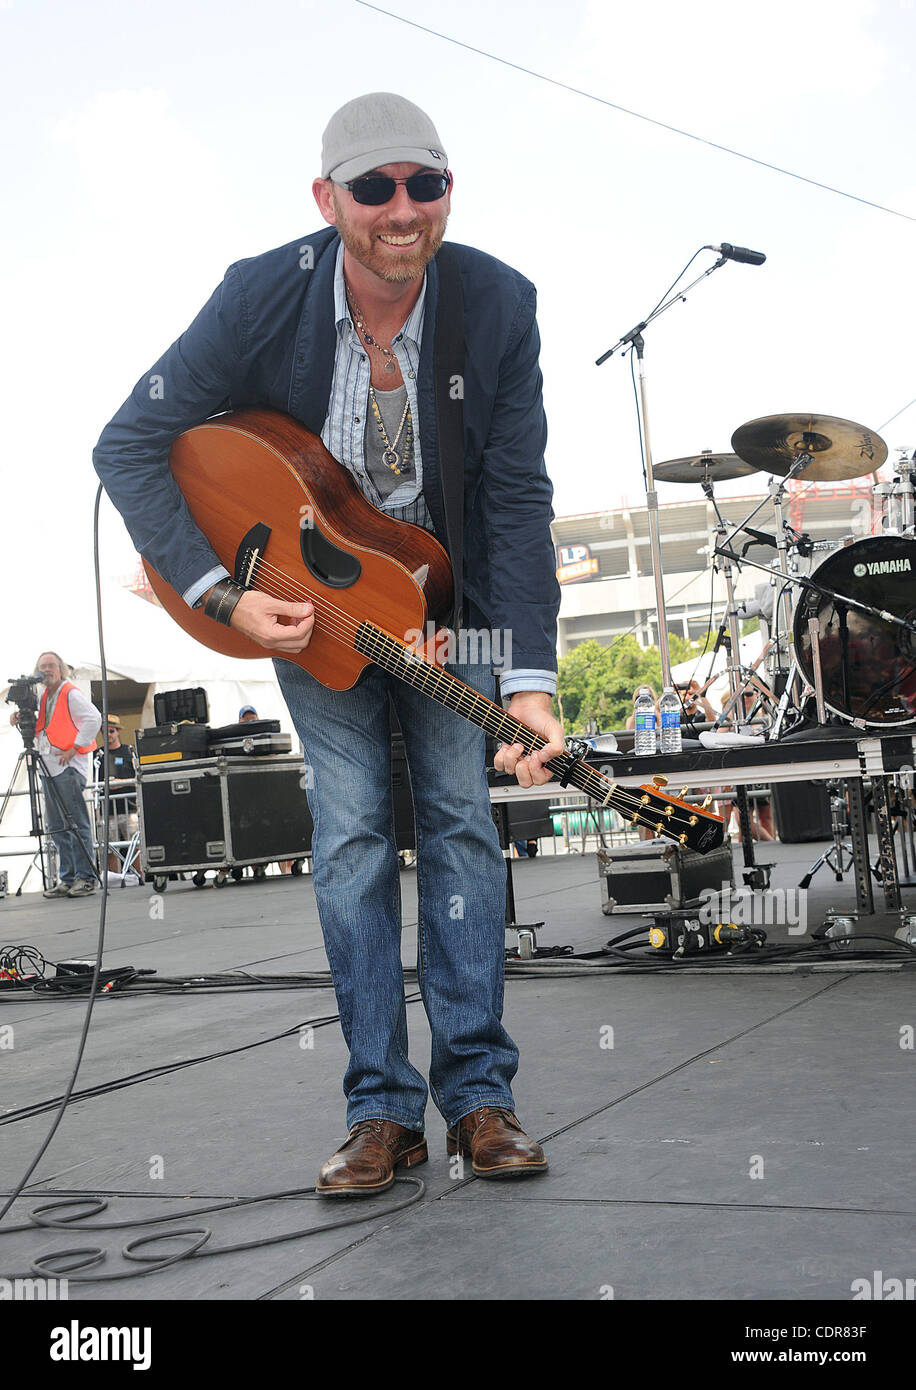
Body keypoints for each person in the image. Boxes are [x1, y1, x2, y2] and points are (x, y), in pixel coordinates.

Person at [93, 92, 564, 1193]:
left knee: (457, 825)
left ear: (448, 192)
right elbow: (130, 440)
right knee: (349, 837)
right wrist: (220, 595)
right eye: (374, 188)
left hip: (449, 610)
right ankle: (380, 1111)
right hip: (310, 611)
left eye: (425, 185)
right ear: (328, 199)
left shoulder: (497, 305)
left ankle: (480, 1099)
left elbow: (513, 496)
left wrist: (529, 684)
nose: (402, 210)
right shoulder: (261, 294)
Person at [9, 653, 101, 897]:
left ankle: (85, 878)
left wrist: (75, 747)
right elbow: (48, 725)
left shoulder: (69, 692)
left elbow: (94, 718)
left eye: (51, 666)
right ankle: (68, 878)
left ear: (61, 669)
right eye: (42, 667)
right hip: (50, 766)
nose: (46, 670)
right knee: (57, 826)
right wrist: (22, 718)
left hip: (66, 767)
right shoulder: (46, 696)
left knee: (75, 823)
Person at [93, 715, 140, 876]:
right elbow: (92, 782)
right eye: (104, 732)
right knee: (109, 849)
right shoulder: (96, 755)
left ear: (118, 731)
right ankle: (111, 879)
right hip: (107, 811)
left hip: (129, 808)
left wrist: (123, 782)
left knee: (134, 846)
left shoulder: (129, 751)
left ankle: (139, 877)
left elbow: (139, 778)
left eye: (111, 731)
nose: (108, 735)